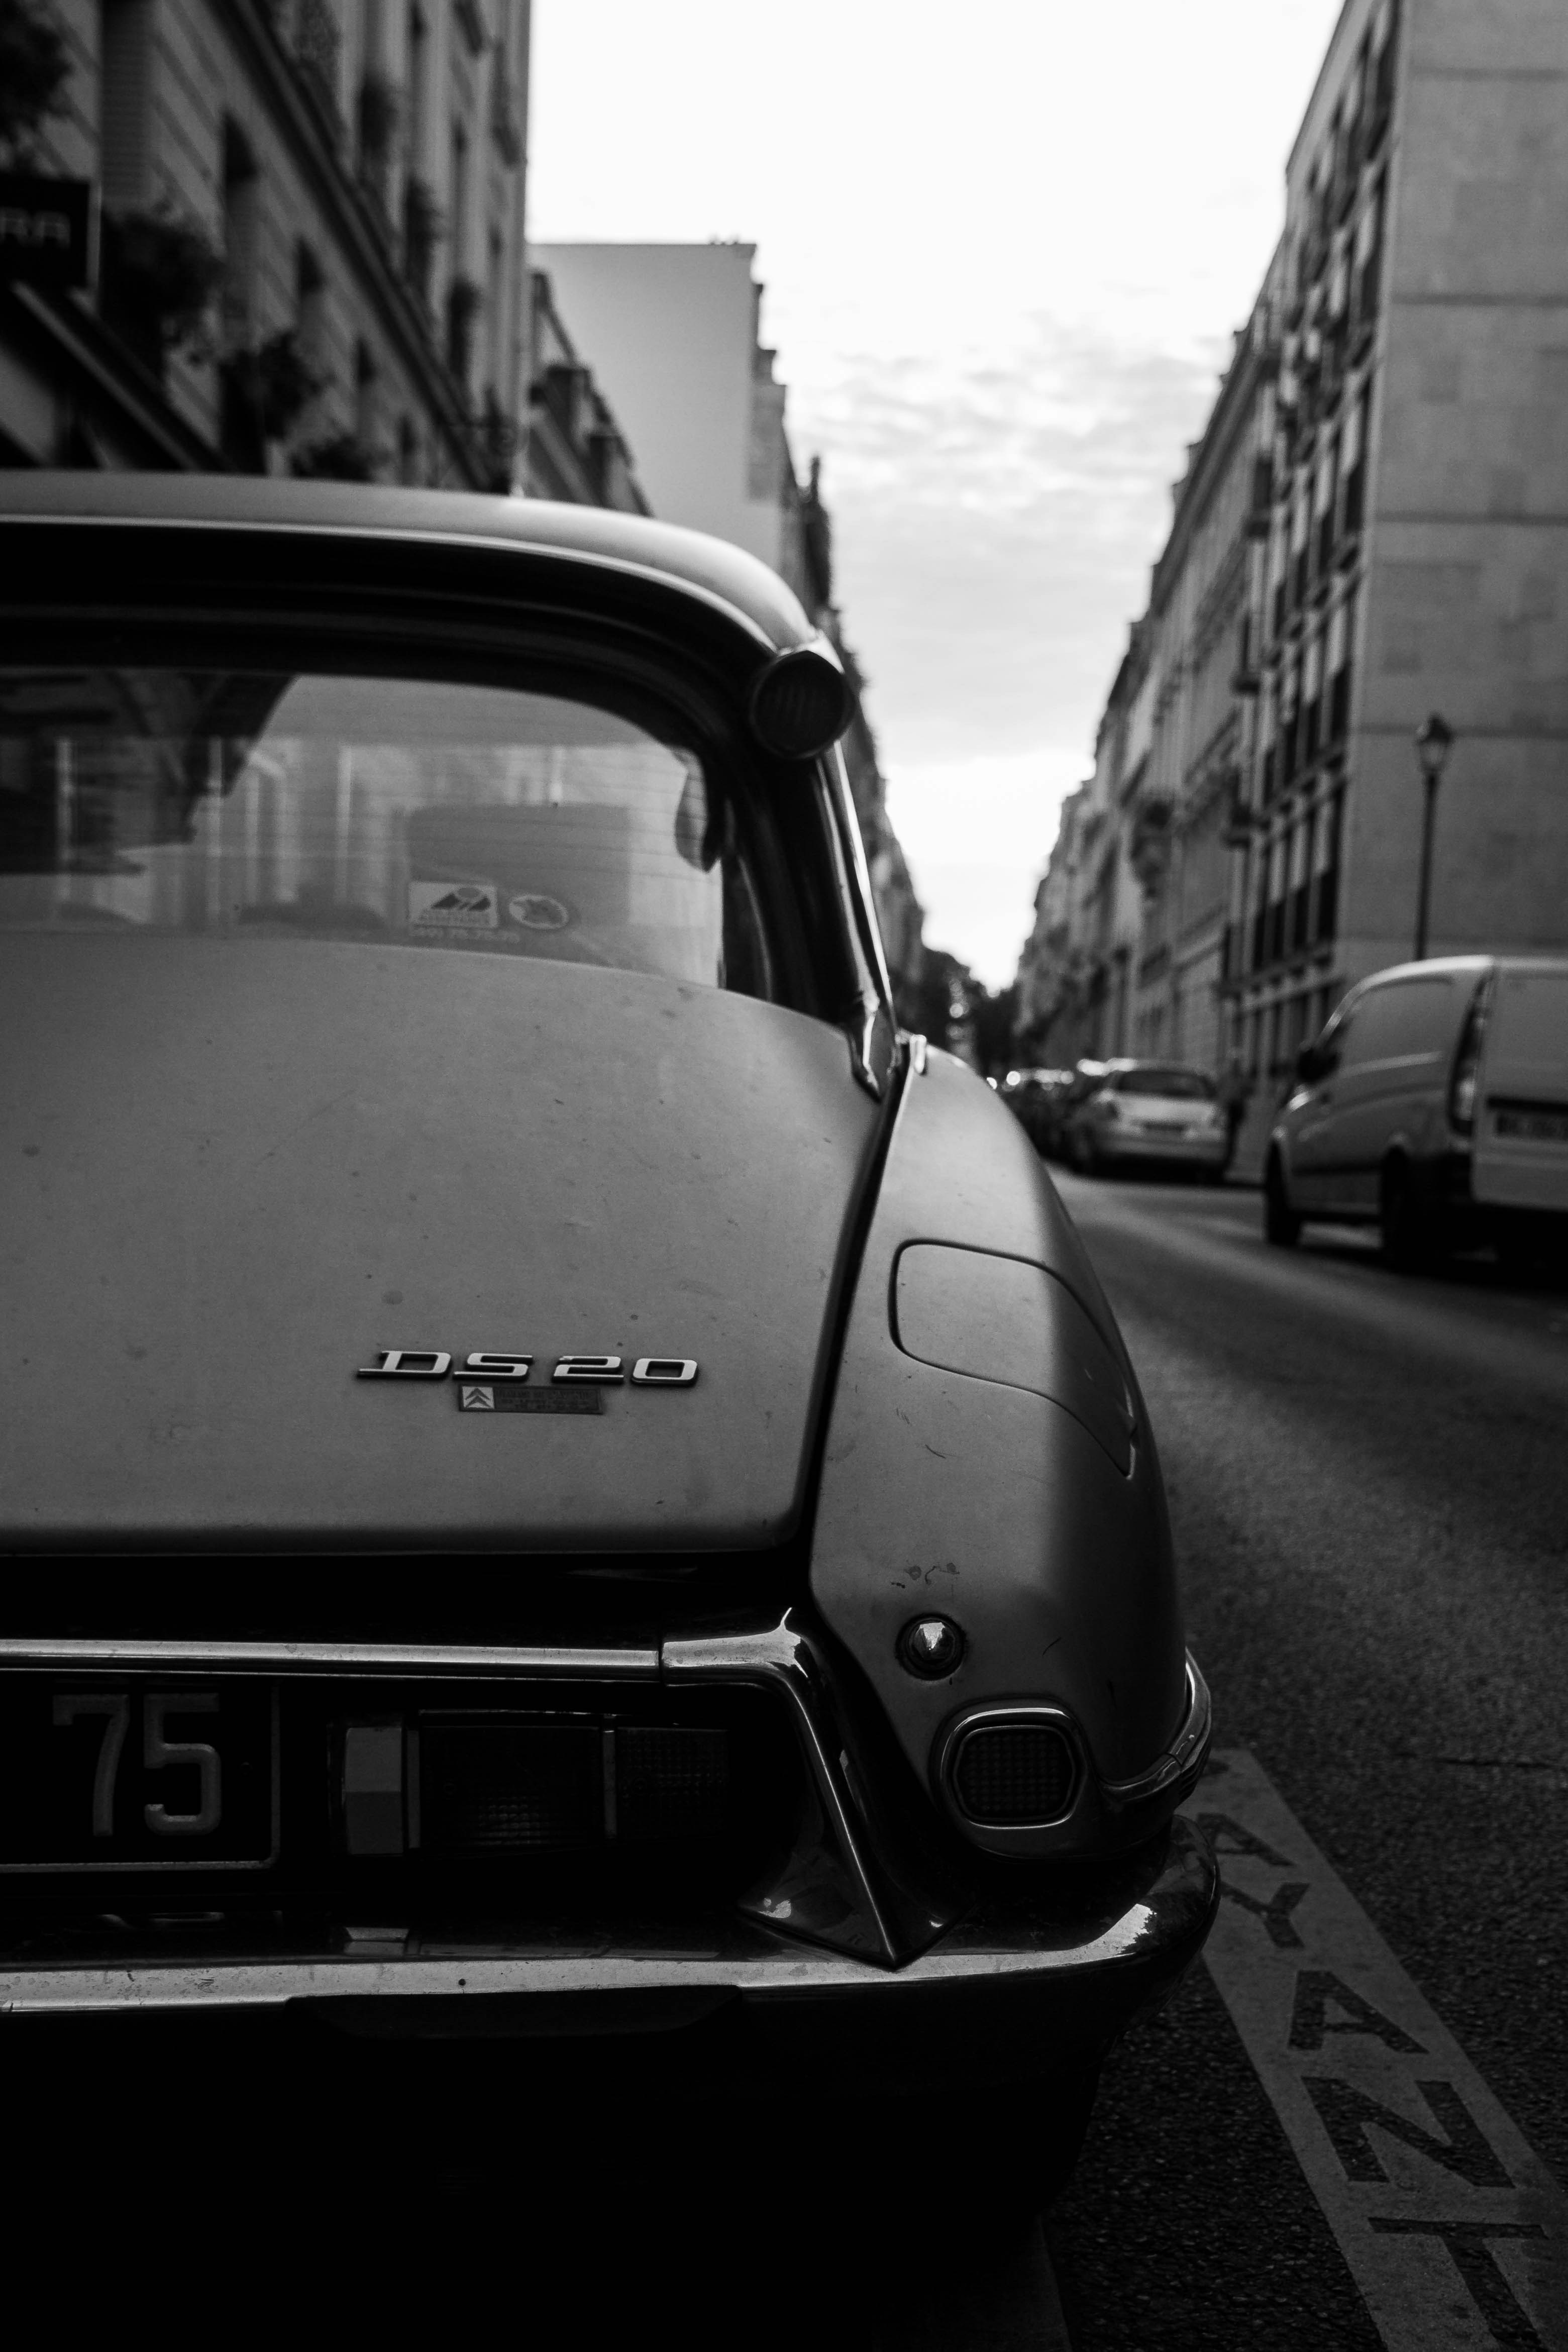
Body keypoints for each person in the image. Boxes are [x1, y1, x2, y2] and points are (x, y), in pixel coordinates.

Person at [1217, 1053, 1251, 1172]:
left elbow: (1247, 1091)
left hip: (1236, 1107)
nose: (1235, 1065)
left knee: (1233, 1133)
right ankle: (1224, 1155)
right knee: (1226, 1132)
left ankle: (1229, 1157)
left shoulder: (1242, 1077)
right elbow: (1220, 1091)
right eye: (1234, 1063)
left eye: (1237, 1063)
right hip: (1227, 1107)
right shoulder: (1225, 1076)